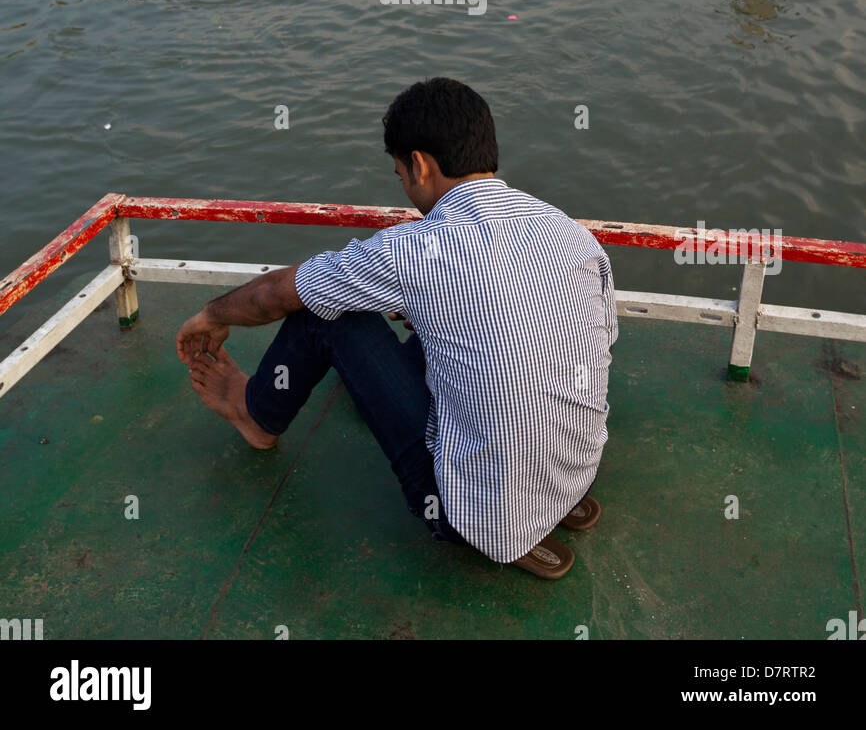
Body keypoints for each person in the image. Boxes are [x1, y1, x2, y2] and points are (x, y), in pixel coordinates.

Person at [176, 78, 618, 582]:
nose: (406, 190)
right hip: (575, 470)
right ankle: (550, 499)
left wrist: (212, 315)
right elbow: (600, 345)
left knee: (323, 309)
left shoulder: (415, 249)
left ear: (421, 165)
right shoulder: (568, 233)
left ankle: (255, 414)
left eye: (400, 175)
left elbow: (276, 294)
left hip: (469, 512)